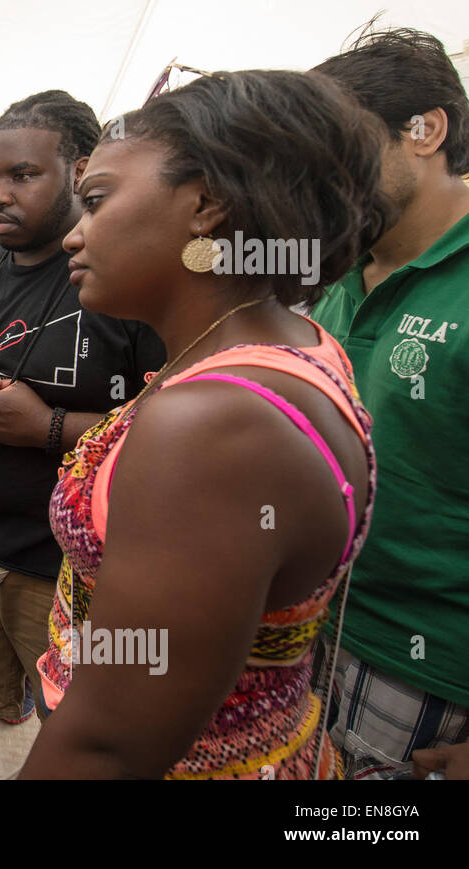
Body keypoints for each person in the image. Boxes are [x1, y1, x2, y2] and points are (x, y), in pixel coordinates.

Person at [20, 69, 385, 779]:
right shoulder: (281, 351)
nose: (74, 234)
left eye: (95, 202)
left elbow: (112, 745)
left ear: (207, 204)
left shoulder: (217, 421)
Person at [0, 93, 167, 763]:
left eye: (21, 175)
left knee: (80, 739)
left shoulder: (124, 285)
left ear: (80, 172)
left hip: (67, 573)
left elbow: (167, 430)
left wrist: (46, 426)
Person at [310, 27, 469, 778]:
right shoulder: (332, 274)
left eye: (341, 148)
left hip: (427, 673)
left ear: (426, 131)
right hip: (310, 632)